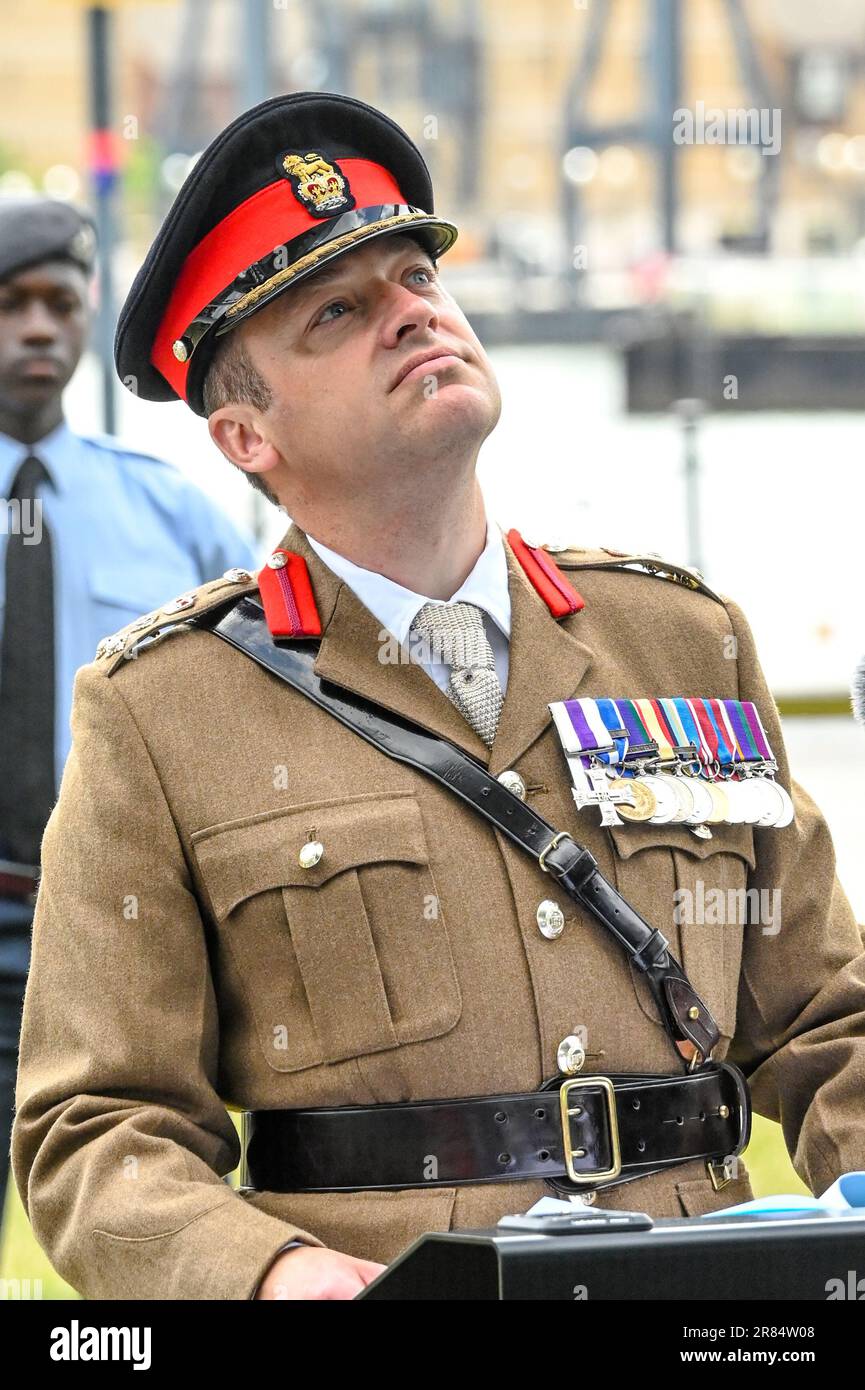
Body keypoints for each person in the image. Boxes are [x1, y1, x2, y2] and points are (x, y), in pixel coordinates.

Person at [10, 93, 865, 1302]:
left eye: (416, 274)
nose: (411, 310)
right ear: (246, 436)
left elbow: (831, 1024)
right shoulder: (161, 711)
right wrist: (269, 1275)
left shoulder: (681, 641)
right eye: (338, 312)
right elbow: (96, 1125)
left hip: (711, 1308)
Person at [0, 196, 257, 1231]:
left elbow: (251, 714)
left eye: (61, 302)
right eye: (9, 302)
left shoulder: (177, 516)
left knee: (133, 1217)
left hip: (116, 928)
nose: (37, 327)